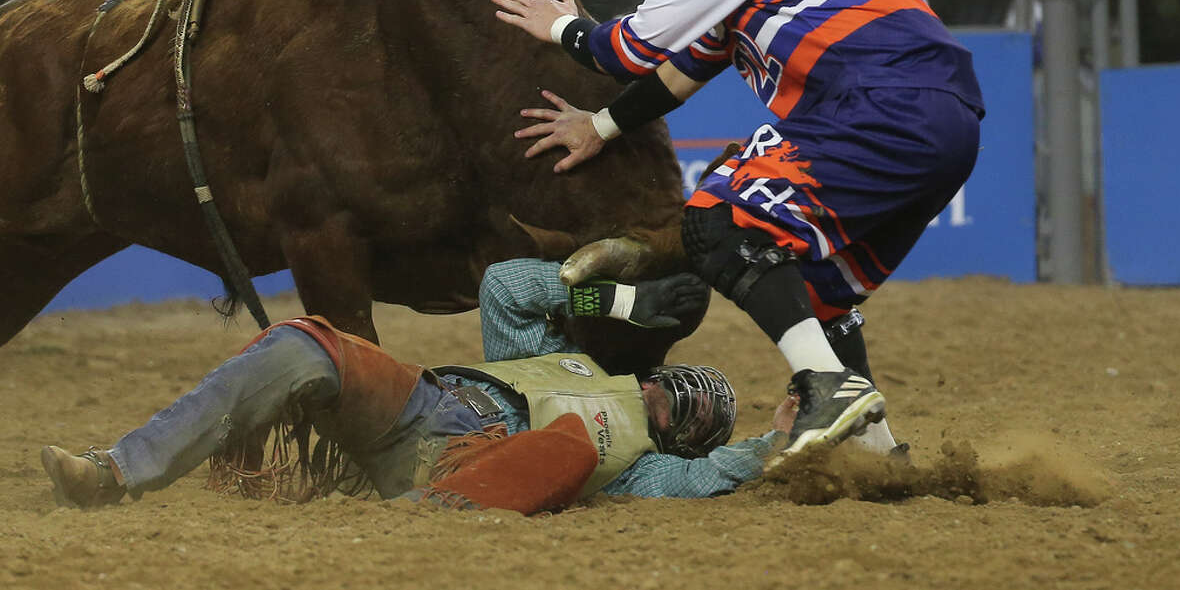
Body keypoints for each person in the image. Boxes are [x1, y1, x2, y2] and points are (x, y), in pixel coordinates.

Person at [492, 0, 984, 465]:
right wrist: (602, 125)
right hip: (954, 114)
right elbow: (690, 63)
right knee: (809, 284)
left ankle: (826, 388)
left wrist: (560, 26)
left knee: (717, 220)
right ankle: (879, 450)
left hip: (874, 104)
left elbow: (629, 51)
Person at [42, 260, 802, 513]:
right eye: (675, 382)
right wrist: (616, 301)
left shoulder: (648, 466)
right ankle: (118, 469)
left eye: (689, 409)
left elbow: (713, 472)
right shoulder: (566, 362)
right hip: (419, 400)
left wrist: (780, 439)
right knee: (307, 341)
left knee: (568, 443)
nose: (670, 395)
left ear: (680, 436)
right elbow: (505, 285)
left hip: (468, 466)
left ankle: (413, 516)